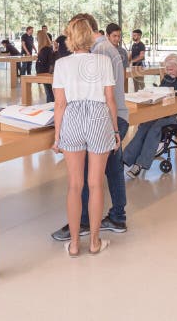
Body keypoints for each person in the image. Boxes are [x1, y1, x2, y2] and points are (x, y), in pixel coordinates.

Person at [51, 16, 130, 241]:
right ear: (91, 35)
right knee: (96, 185)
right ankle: (95, 242)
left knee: (74, 185)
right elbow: (110, 100)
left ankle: (75, 243)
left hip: (72, 119)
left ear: (69, 38)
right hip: (99, 118)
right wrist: (115, 131)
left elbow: (60, 104)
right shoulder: (103, 60)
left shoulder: (62, 64)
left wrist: (57, 137)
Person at [124, 55, 177, 178]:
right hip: (163, 112)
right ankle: (125, 158)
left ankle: (140, 164)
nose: (168, 72)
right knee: (144, 125)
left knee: (155, 128)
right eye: (167, 69)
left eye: (171, 69)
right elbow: (160, 94)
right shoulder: (167, 78)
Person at [35, 30, 55, 103]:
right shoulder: (47, 48)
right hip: (45, 72)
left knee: (48, 91)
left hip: (45, 72)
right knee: (48, 90)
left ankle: (50, 105)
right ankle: (50, 104)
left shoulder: (45, 49)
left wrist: (38, 59)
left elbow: (46, 61)